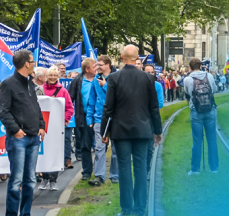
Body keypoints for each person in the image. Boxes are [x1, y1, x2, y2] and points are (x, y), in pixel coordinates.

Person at [101, 45, 162, 216]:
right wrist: (157, 131)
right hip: (143, 130)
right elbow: (154, 108)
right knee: (141, 169)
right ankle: (140, 208)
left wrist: (104, 133)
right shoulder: (148, 79)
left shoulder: (114, 78)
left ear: (122, 57)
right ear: (137, 59)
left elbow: (108, 108)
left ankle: (126, 208)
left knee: (124, 169)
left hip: (121, 131)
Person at [0, 50, 46, 216]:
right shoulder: (8, 84)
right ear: (26, 63)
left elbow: (36, 106)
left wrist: (41, 125)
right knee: (16, 181)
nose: (34, 64)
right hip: (18, 138)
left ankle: (26, 213)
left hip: (33, 137)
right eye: (33, 61)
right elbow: (3, 111)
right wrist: (16, 130)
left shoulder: (29, 83)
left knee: (30, 180)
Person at [38, 65, 73, 191]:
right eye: (50, 75)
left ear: (58, 77)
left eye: (54, 75)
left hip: (57, 128)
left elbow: (69, 108)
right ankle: (44, 178)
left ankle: (53, 180)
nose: (52, 77)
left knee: (55, 153)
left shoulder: (63, 91)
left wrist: (63, 120)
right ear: (46, 76)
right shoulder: (40, 89)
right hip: (43, 127)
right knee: (43, 153)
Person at [183, 58, 219, 176]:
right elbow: (214, 89)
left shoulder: (188, 79)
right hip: (210, 110)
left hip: (196, 111)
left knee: (197, 141)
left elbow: (188, 92)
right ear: (201, 66)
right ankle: (214, 168)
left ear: (190, 67)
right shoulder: (209, 76)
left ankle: (195, 169)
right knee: (212, 140)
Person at [88, 55, 115, 186]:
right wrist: (90, 118)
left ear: (108, 65)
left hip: (115, 118)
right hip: (99, 118)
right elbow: (91, 100)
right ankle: (99, 176)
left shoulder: (115, 78)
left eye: (100, 65)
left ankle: (115, 175)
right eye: (96, 65)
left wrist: (105, 86)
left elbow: (117, 96)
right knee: (99, 148)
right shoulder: (95, 80)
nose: (98, 67)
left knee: (115, 149)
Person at [68, 58, 96, 181]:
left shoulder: (101, 79)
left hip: (100, 116)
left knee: (102, 146)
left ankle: (101, 171)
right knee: (86, 145)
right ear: (87, 69)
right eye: (94, 66)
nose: (97, 68)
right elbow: (70, 99)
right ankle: (87, 171)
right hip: (84, 117)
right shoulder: (77, 81)